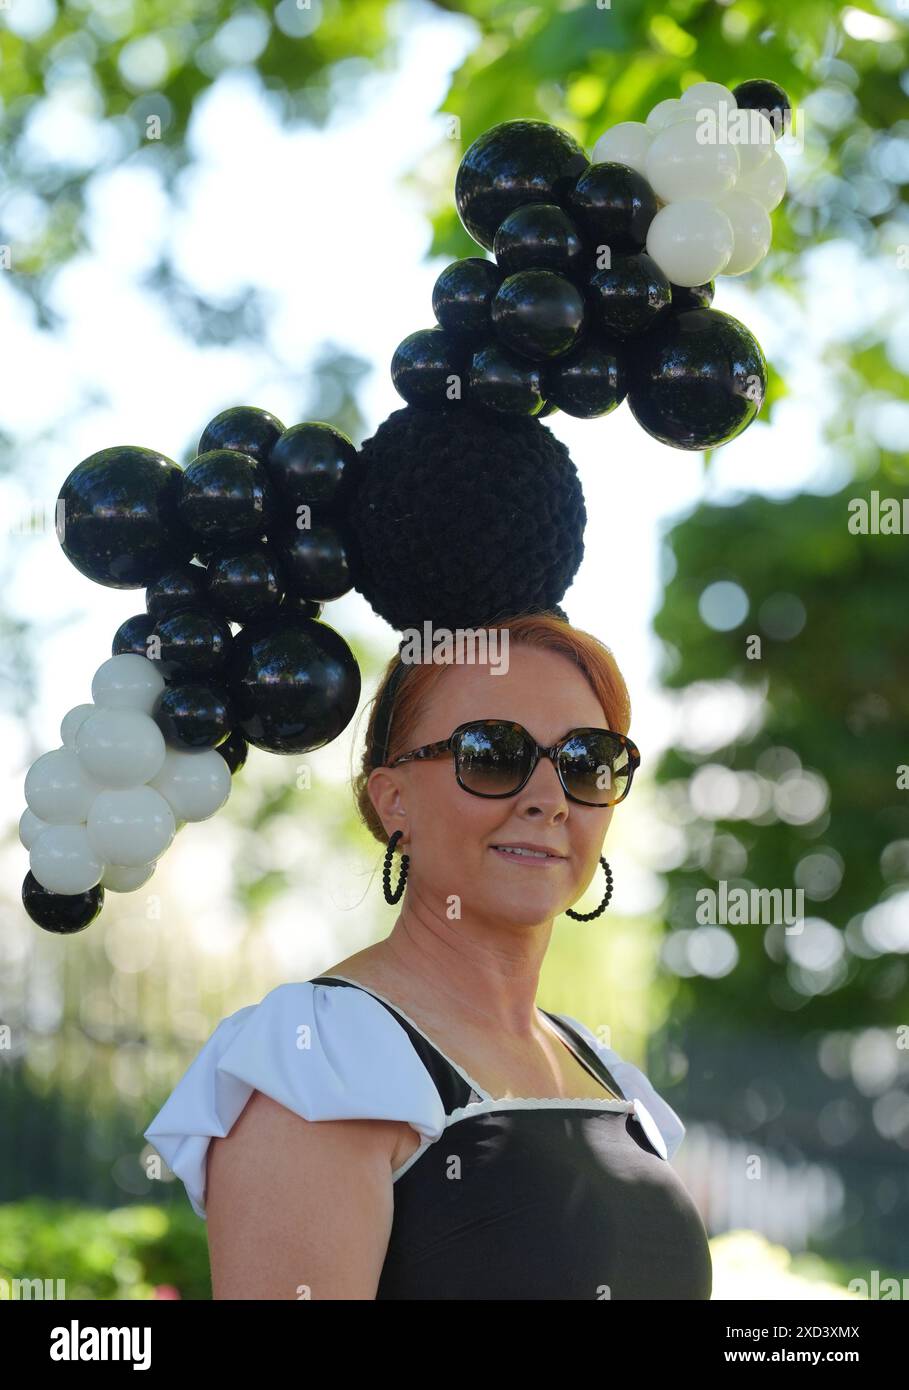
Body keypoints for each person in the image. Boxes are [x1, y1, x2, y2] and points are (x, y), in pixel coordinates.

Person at [144, 612, 712, 1299]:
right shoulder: (324, 1056)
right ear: (393, 800)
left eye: (585, 761)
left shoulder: (598, 1067)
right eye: (493, 755)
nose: (548, 800)